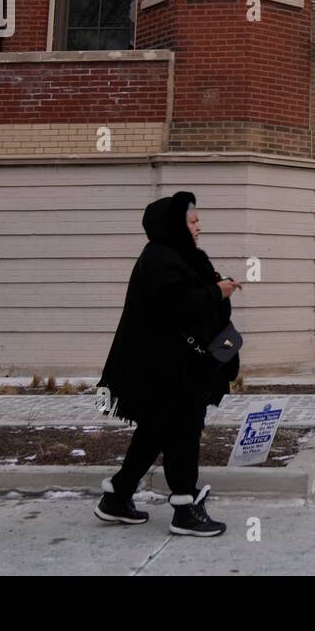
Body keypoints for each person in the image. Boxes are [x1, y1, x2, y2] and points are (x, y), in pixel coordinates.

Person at [94, 191, 242, 536]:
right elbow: (179, 306)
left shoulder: (183, 256)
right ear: (174, 224)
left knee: (155, 433)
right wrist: (215, 292)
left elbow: (202, 304)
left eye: (198, 220)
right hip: (165, 370)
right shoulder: (159, 258)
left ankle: (116, 497)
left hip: (177, 367)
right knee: (184, 432)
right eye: (192, 221)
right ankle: (185, 508)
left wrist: (220, 291)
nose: (198, 227)